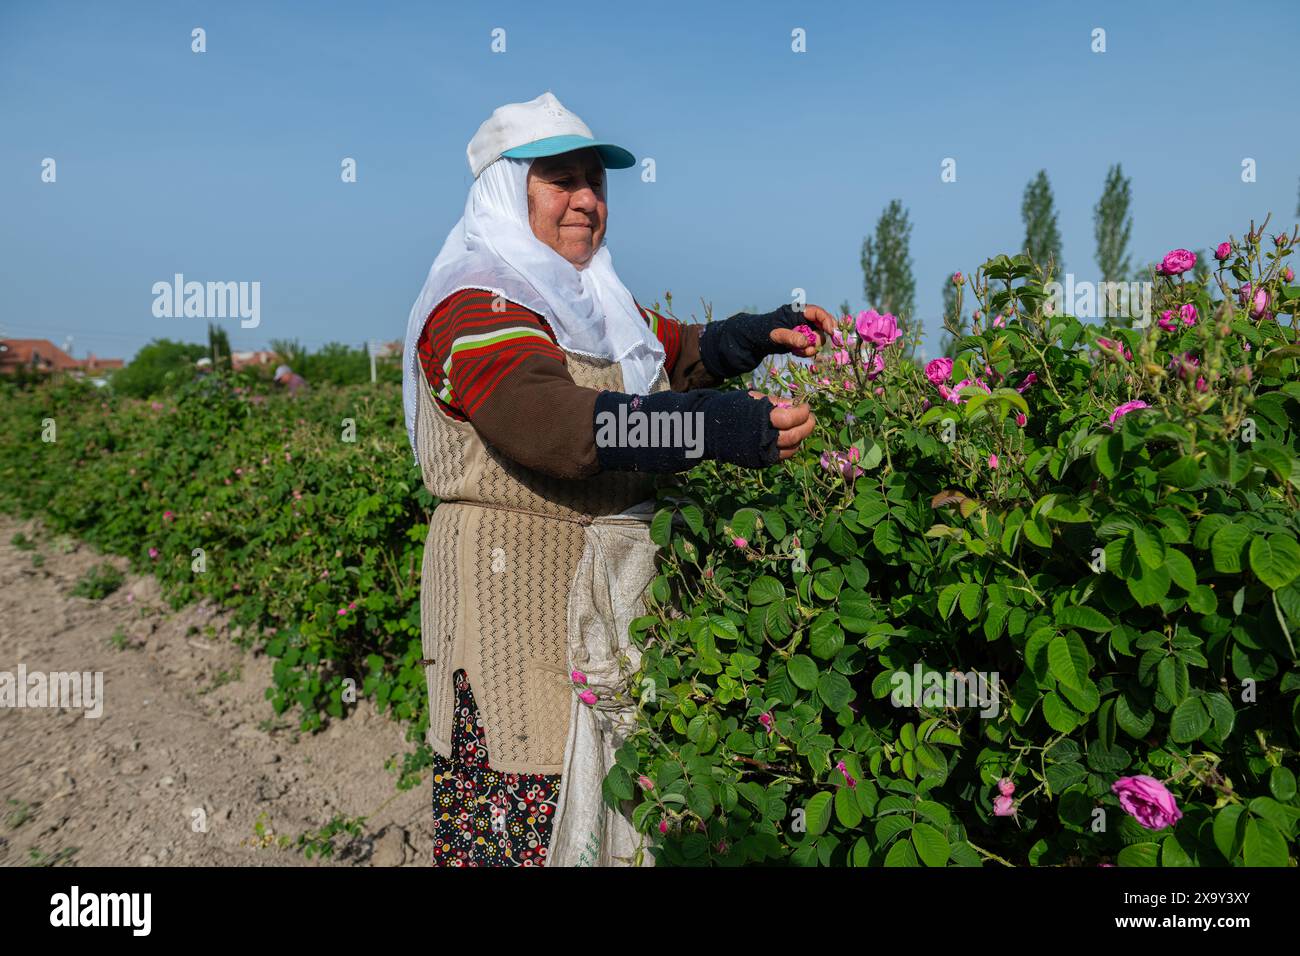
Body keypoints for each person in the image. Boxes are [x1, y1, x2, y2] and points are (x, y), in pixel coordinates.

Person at [402, 91, 836, 867]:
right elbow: (554, 424)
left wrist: (753, 335)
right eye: (561, 181)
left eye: (595, 184)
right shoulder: (475, 301)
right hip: (511, 593)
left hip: (597, 593)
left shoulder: (589, 296)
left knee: (604, 809)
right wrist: (713, 427)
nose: (586, 201)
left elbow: (668, 352)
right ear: (509, 191)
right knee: (523, 802)